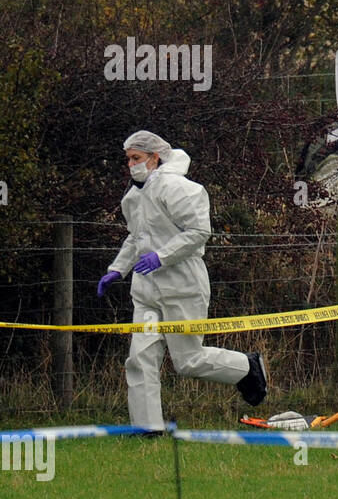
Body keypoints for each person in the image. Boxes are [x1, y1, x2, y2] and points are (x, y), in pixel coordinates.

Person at [97, 131, 267, 430]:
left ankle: (246, 366)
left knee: (188, 361)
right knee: (140, 358)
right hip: (146, 289)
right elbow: (136, 238)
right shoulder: (133, 196)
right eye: (128, 159)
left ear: (155, 157)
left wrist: (162, 256)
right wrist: (117, 269)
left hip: (183, 285)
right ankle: (146, 428)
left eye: (136, 158)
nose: (131, 165)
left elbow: (199, 232)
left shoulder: (179, 188)